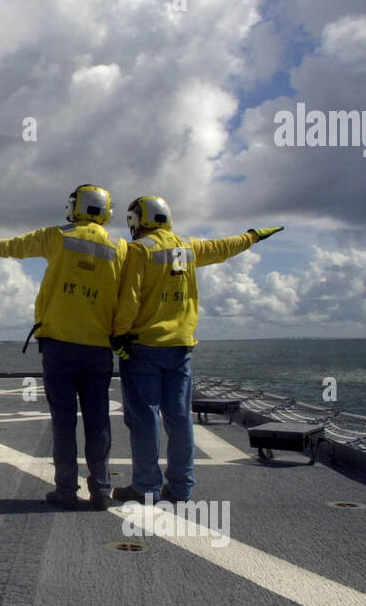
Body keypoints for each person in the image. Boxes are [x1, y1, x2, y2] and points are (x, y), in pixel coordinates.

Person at [0, 185, 126, 511]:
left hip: (59, 346)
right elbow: (128, 296)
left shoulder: (56, 236)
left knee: (63, 420)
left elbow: (11, 246)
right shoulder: (119, 247)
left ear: (74, 208)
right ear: (107, 212)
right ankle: (102, 491)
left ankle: (66, 490)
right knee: (99, 422)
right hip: (98, 347)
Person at [110, 195, 283, 504]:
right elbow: (224, 247)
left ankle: (146, 486)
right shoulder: (187, 249)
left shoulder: (139, 250)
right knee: (178, 418)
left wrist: (119, 334)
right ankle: (180, 488)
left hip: (144, 347)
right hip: (181, 348)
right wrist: (253, 236)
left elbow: (130, 297)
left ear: (137, 221)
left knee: (145, 418)